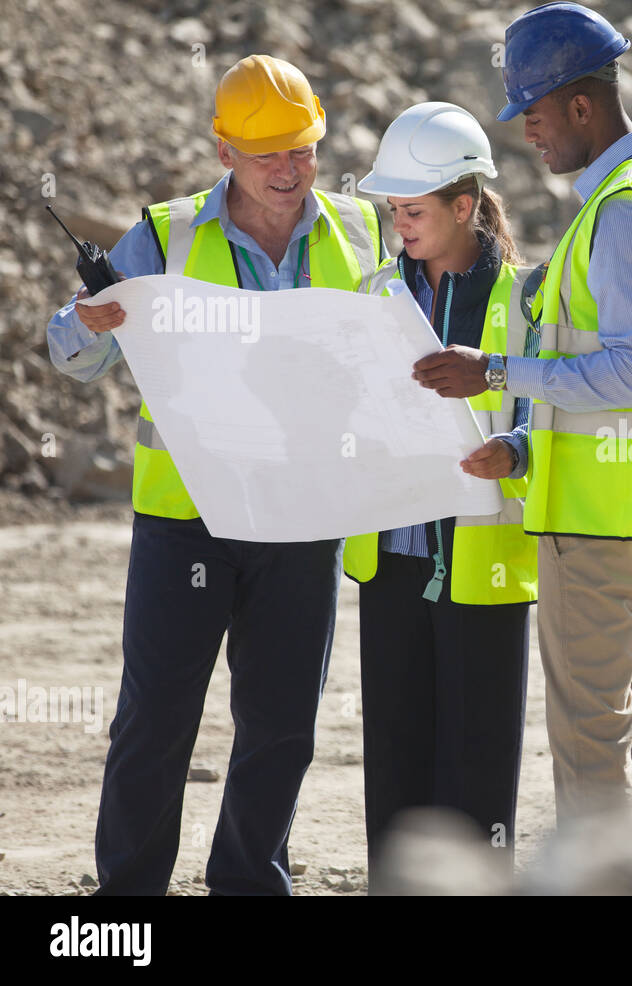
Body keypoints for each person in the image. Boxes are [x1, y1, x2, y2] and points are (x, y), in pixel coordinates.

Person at [45, 54, 385, 895]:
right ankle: (127, 902)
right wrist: (89, 323)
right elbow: (70, 352)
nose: (289, 170)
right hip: (185, 521)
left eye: (302, 149)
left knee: (281, 728)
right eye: (267, 152)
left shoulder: (362, 232)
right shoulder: (167, 236)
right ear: (224, 151)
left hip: (303, 518)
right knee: (155, 721)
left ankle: (247, 881)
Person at [415, 1, 632, 826]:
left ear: (581, 106)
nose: (528, 135)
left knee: (591, 741)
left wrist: (497, 371)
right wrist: (521, 441)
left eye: (536, 114)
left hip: (596, 526)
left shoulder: (621, 211)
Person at [340, 102, 538, 868]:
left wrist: (514, 452)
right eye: (393, 210)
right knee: (393, 763)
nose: (401, 225)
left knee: (477, 767)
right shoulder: (374, 293)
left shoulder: (523, 300)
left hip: (483, 570)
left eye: (414, 210)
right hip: (391, 562)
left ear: (465, 206)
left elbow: (549, 419)